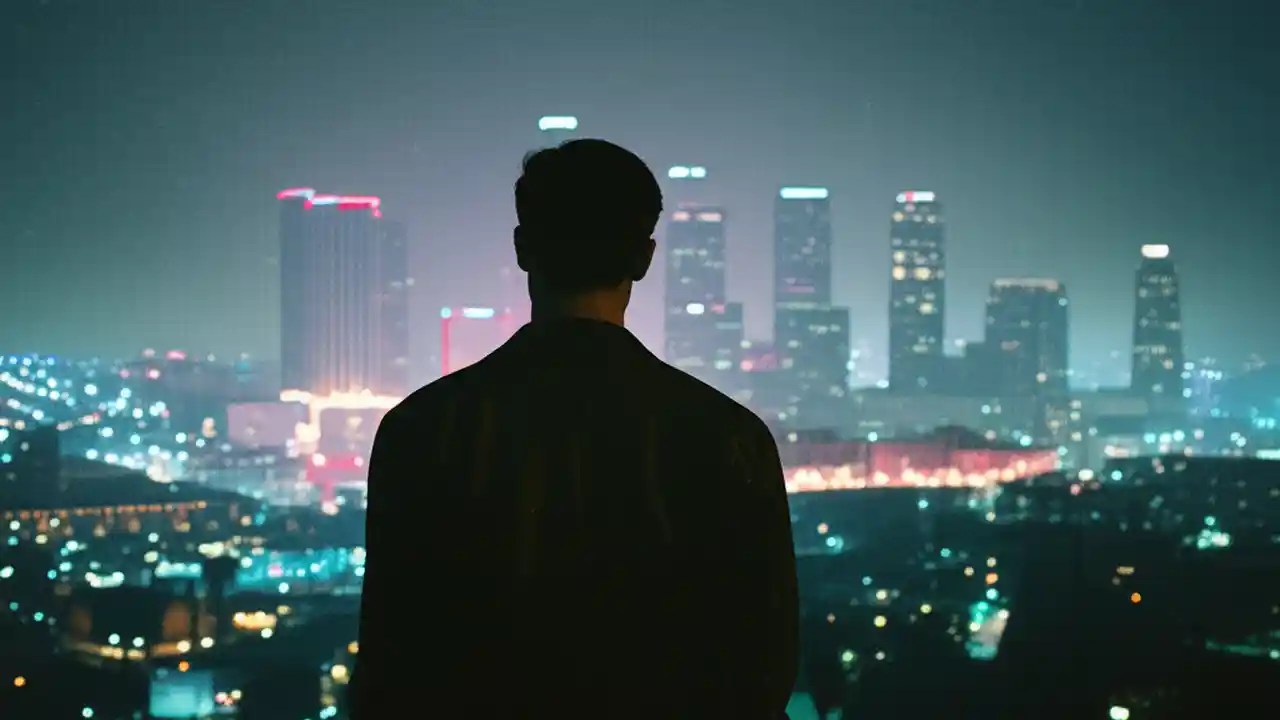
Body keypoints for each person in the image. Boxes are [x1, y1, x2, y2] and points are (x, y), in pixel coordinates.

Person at [350, 139, 797, 719]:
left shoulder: (422, 427)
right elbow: (765, 664)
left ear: (522, 247)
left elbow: (390, 659)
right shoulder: (727, 435)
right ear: (643, 258)